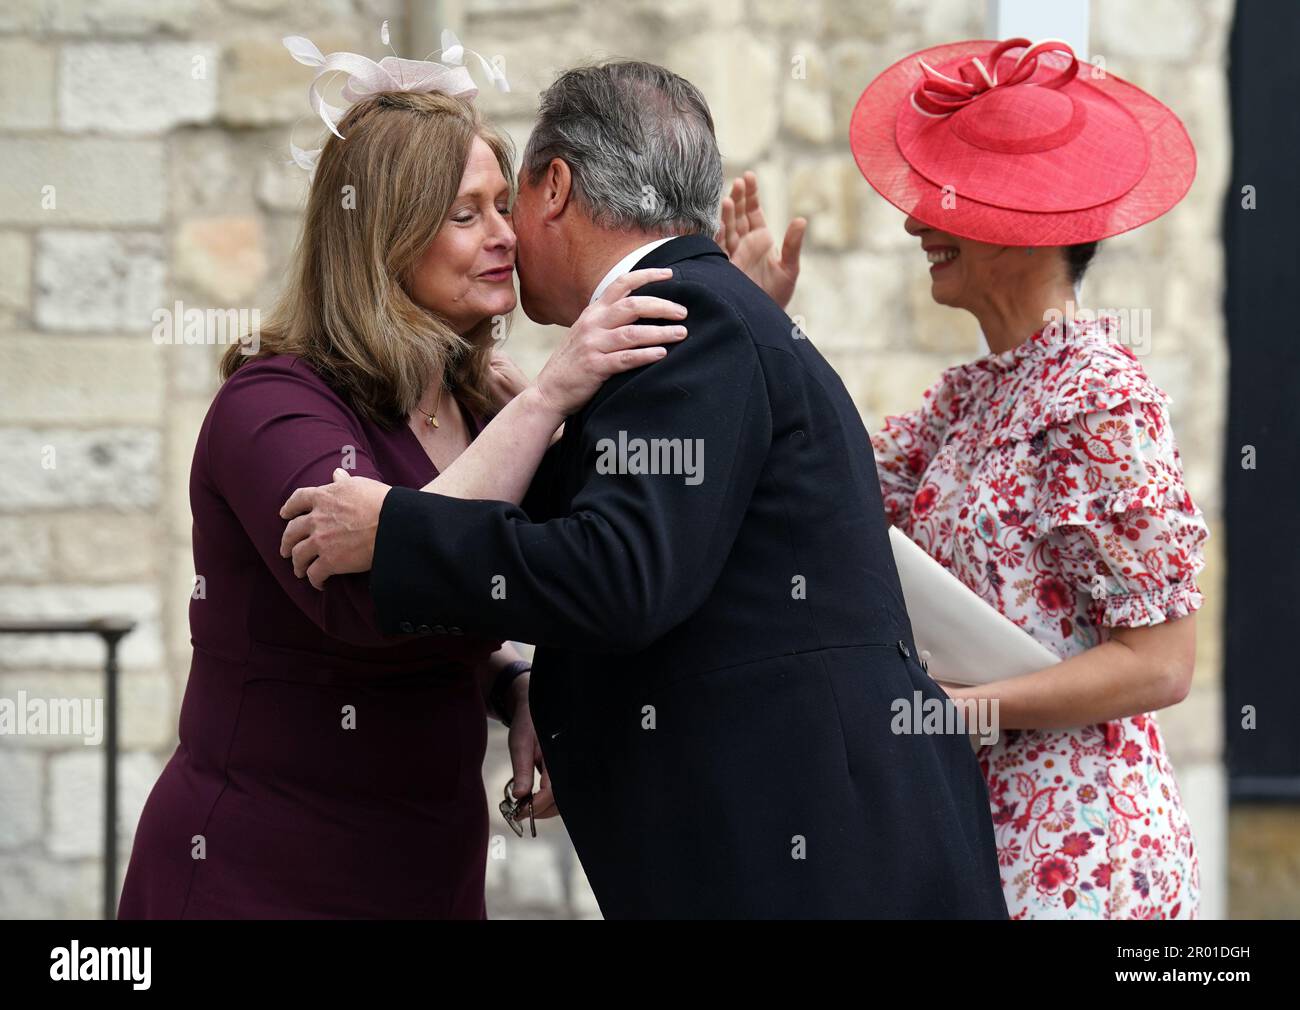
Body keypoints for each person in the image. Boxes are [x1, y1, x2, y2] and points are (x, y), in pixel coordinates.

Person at [280, 59, 1010, 919]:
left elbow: (620, 574)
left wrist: (394, 529)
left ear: (554, 187)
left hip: (809, 857)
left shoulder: (679, 321)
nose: (506, 238)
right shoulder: (691, 314)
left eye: (504, 202)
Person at [117, 40, 690, 918]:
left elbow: (500, 577)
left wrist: (513, 684)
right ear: (380, 236)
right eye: (466, 214)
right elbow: (377, 597)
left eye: (506, 204)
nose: (506, 234)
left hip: (428, 867)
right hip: (259, 870)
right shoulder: (271, 405)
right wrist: (550, 399)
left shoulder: (481, 405)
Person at [720, 38, 1207, 919]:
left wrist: (962, 710)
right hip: (976, 827)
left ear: (1031, 227)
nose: (914, 224)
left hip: (1085, 854)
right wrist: (762, 323)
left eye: (948, 199)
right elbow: (821, 489)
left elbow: (1162, 666)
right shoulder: (974, 394)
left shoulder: (1103, 396)